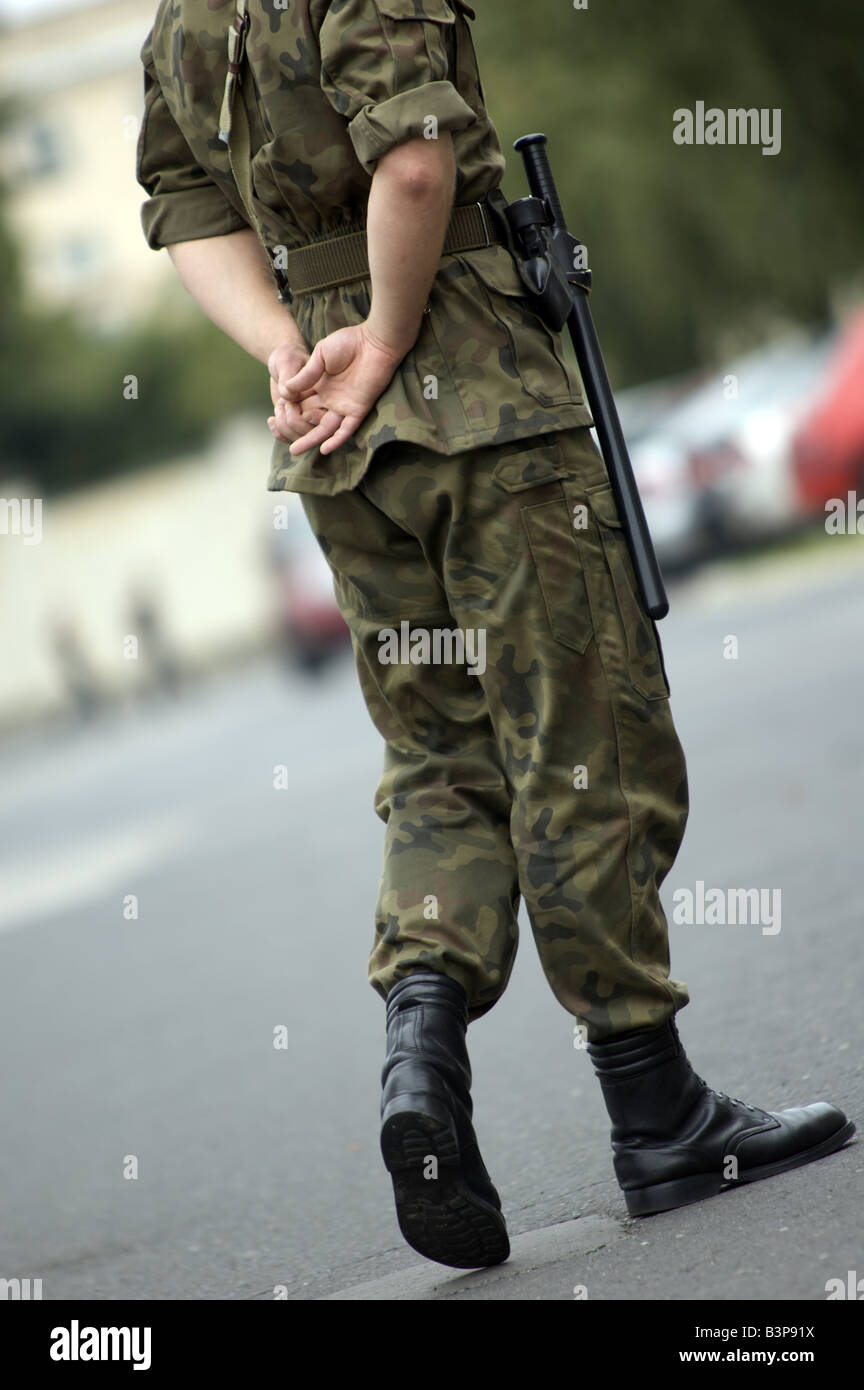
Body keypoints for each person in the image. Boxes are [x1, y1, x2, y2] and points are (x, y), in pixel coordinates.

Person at [136, 0, 854, 1271]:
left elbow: (186, 205)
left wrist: (292, 353)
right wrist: (389, 344)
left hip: (339, 450)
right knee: (585, 736)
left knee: (441, 763)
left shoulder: (182, 19)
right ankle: (657, 1113)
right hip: (477, 404)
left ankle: (422, 1047)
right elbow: (414, 161)